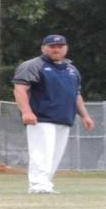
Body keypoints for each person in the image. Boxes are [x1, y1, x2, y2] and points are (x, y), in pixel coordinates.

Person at [12, 34, 94, 195]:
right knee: (42, 152)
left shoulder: (71, 69)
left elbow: (76, 95)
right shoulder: (33, 65)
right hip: (41, 117)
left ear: (66, 48)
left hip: (64, 118)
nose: (56, 49)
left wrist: (85, 116)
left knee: (54, 155)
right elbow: (20, 89)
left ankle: (45, 184)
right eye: (52, 46)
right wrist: (26, 112)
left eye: (60, 46)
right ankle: (38, 185)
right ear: (44, 48)